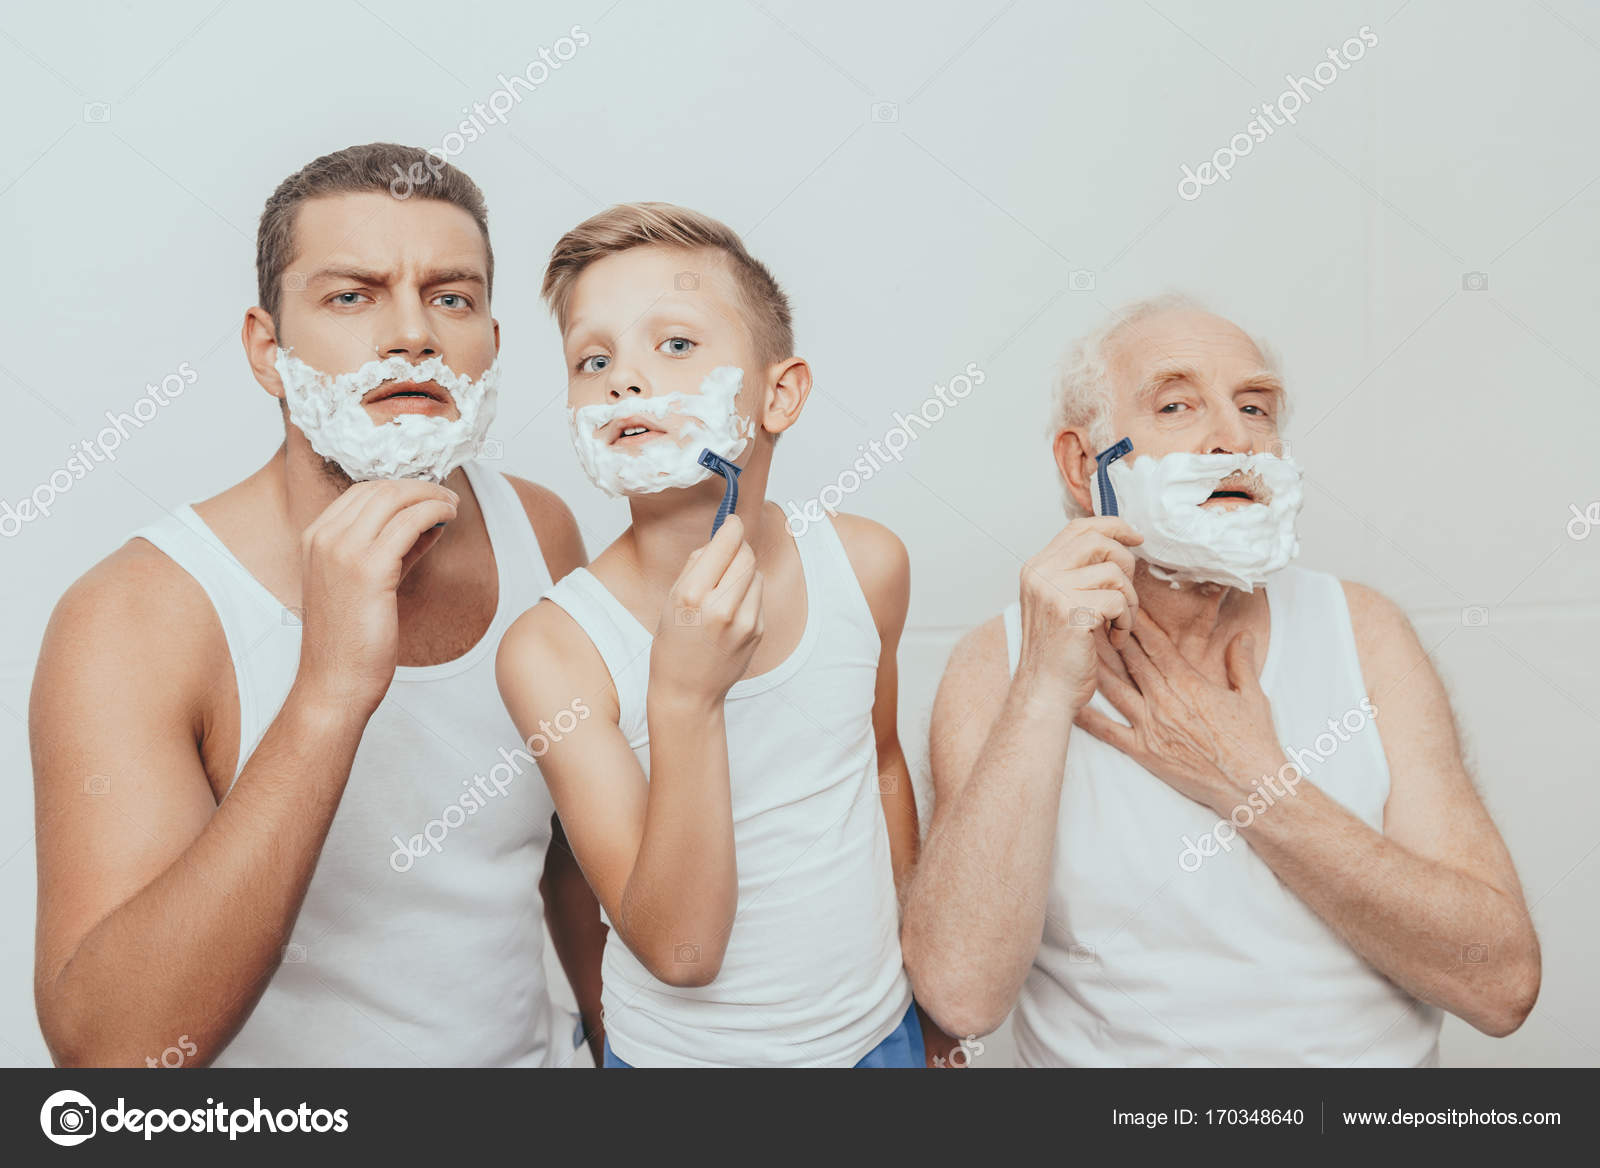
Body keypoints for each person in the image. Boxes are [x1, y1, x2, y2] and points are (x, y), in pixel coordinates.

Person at [30, 143, 605, 1067]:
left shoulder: (542, 531)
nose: (412, 333)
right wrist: (328, 695)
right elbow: (113, 1055)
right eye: (352, 295)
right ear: (269, 350)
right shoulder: (134, 618)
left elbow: (575, 856)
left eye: (452, 297)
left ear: (492, 345)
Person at [902, 294, 1540, 1066]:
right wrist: (1041, 691)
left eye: (1256, 407)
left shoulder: (1364, 634)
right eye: (1177, 405)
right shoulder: (995, 666)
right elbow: (960, 997)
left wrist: (1253, 782)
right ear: (1083, 465)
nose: (1233, 439)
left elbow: (1501, 985)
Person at [497, 203, 945, 1067]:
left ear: (780, 393)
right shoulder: (553, 652)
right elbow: (682, 952)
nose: (625, 378)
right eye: (595, 359)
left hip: (882, 1038)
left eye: (673, 345)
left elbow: (882, 762)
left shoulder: (866, 565)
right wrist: (685, 696)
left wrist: (920, 997)